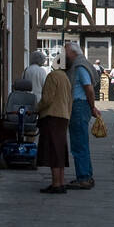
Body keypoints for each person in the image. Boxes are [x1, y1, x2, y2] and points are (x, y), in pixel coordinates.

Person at [64, 42, 101, 189]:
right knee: (80, 143)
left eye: (65, 51)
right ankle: (86, 175)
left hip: (79, 105)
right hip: (80, 105)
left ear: (72, 53)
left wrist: (92, 107)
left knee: (79, 144)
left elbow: (89, 88)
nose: (64, 54)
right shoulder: (77, 65)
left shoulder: (79, 67)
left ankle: (84, 177)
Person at [35, 59, 72, 194]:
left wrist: (36, 109)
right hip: (63, 116)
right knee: (60, 150)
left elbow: (47, 99)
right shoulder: (66, 78)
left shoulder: (52, 76)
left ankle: (56, 184)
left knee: (53, 150)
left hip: (52, 116)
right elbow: (69, 100)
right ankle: (61, 182)